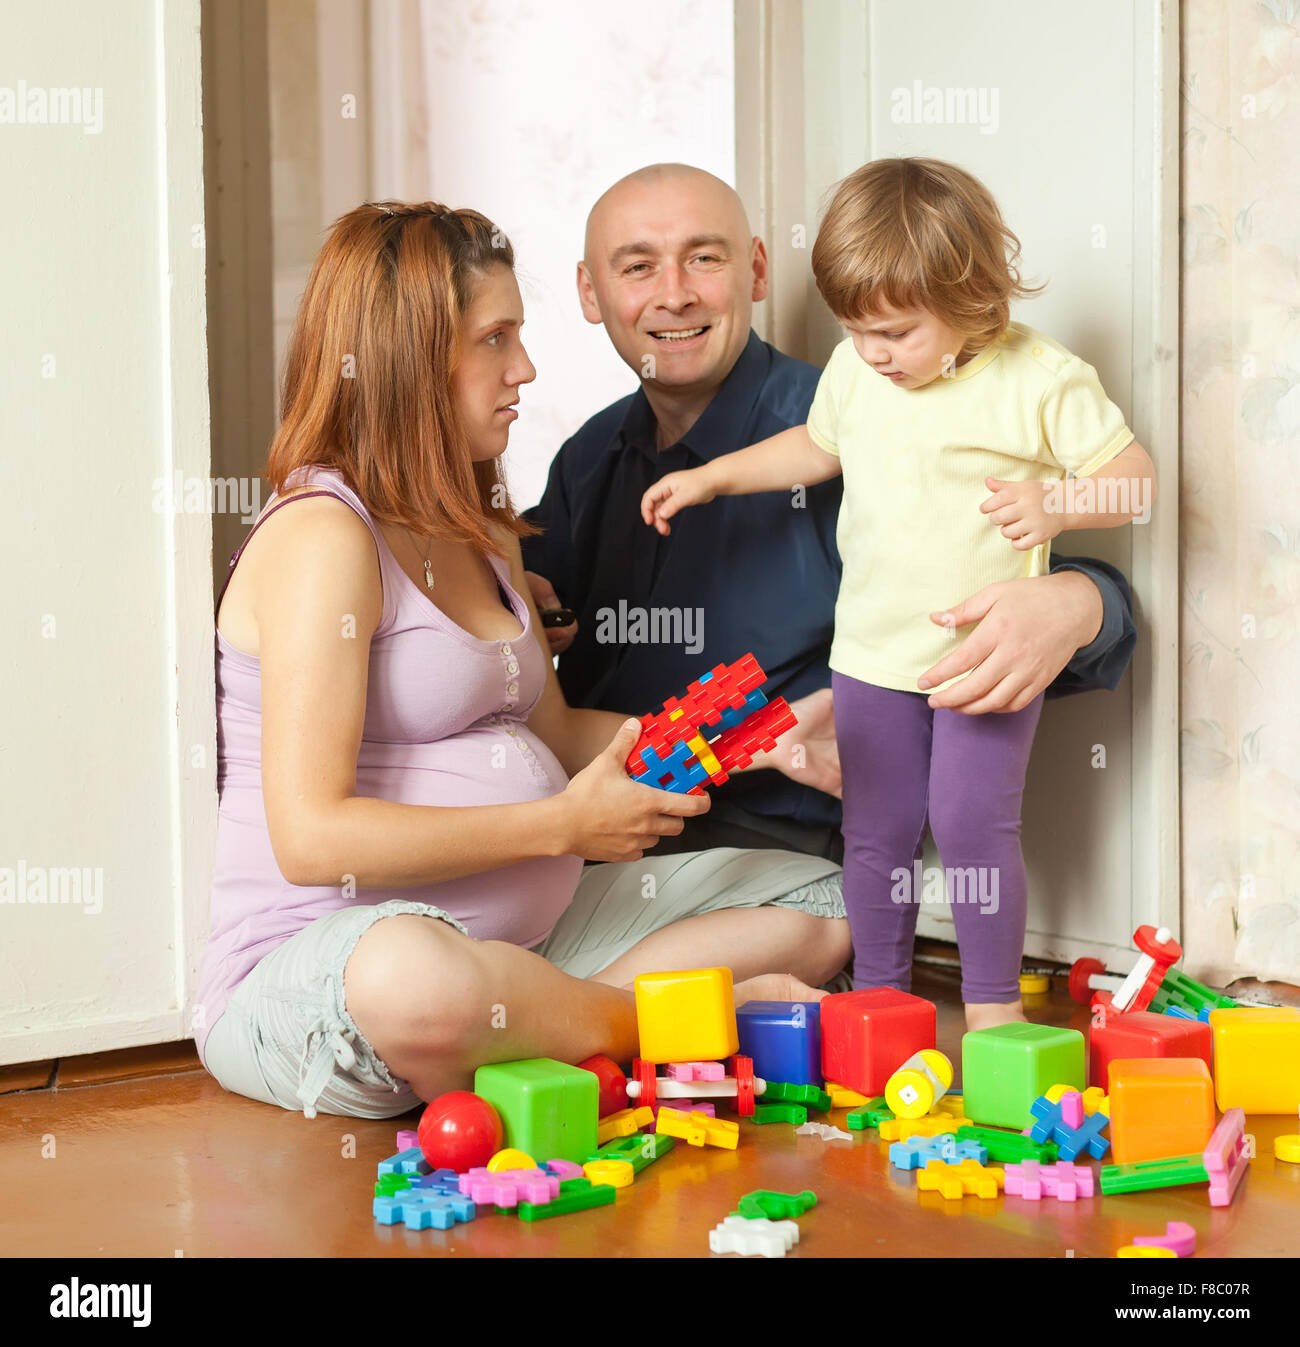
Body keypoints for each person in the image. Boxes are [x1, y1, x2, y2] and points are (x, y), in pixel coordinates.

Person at [194, 200, 850, 1122]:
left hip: (533, 935)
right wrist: (560, 826)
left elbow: (558, 729)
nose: (526, 369)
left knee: (829, 903)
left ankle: (550, 1019)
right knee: (414, 977)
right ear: (408, 359)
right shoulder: (322, 538)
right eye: (495, 339)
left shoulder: (478, 522)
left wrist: (763, 738)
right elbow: (312, 839)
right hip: (326, 959)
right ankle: (655, 1021)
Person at [641, 158, 1156, 1031]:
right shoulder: (859, 371)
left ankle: (992, 1013)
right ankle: (878, 1000)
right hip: (870, 657)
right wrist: (715, 478)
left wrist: (1060, 501)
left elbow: (1135, 484)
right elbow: (815, 446)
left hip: (979, 661)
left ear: (973, 294)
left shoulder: (1039, 377)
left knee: (969, 828)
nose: (874, 352)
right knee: (877, 832)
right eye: (857, 329)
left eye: (899, 332)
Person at [521, 163, 1136, 868]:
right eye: (638, 267)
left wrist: (1078, 600)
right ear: (589, 293)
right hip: (591, 834)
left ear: (755, 269)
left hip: (774, 849)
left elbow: (1039, 579)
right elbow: (529, 604)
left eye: (703, 258)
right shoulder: (587, 456)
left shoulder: (874, 419)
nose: (675, 295)